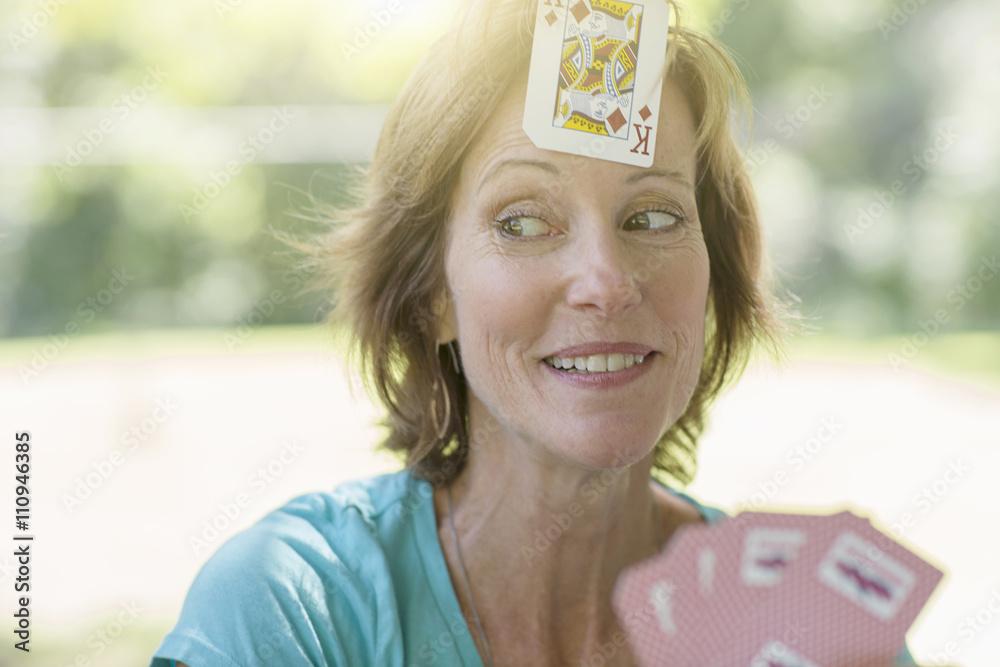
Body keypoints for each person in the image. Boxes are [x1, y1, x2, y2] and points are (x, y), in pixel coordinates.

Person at [151, 0, 925, 665]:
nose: (607, 280)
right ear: (432, 296)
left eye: (653, 215)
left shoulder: (820, 628)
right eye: (522, 221)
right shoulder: (292, 611)